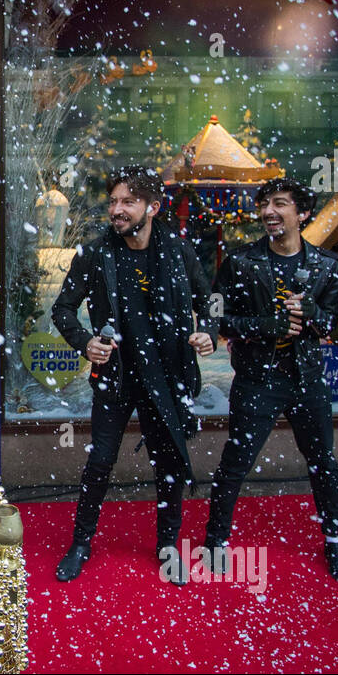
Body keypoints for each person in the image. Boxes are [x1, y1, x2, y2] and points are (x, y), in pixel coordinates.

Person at [51, 165, 218, 585]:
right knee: (100, 464)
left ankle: (167, 547)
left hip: (168, 377)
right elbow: (62, 309)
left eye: (128, 201)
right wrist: (84, 340)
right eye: (113, 202)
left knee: (169, 465)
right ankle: (81, 543)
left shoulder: (179, 252)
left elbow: (211, 298)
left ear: (153, 207)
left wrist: (209, 331)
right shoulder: (94, 253)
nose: (117, 210)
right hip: (117, 375)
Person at [204, 178, 338, 583]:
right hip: (258, 379)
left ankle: (336, 543)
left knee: (323, 463)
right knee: (235, 463)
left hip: (308, 379)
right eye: (264, 204)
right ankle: (215, 541)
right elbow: (218, 318)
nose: (268, 211)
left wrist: (311, 314)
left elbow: (335, 322)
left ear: (302, 213)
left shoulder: (325, 264)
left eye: (280, 204)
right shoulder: (240, 262)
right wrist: (264, 326)